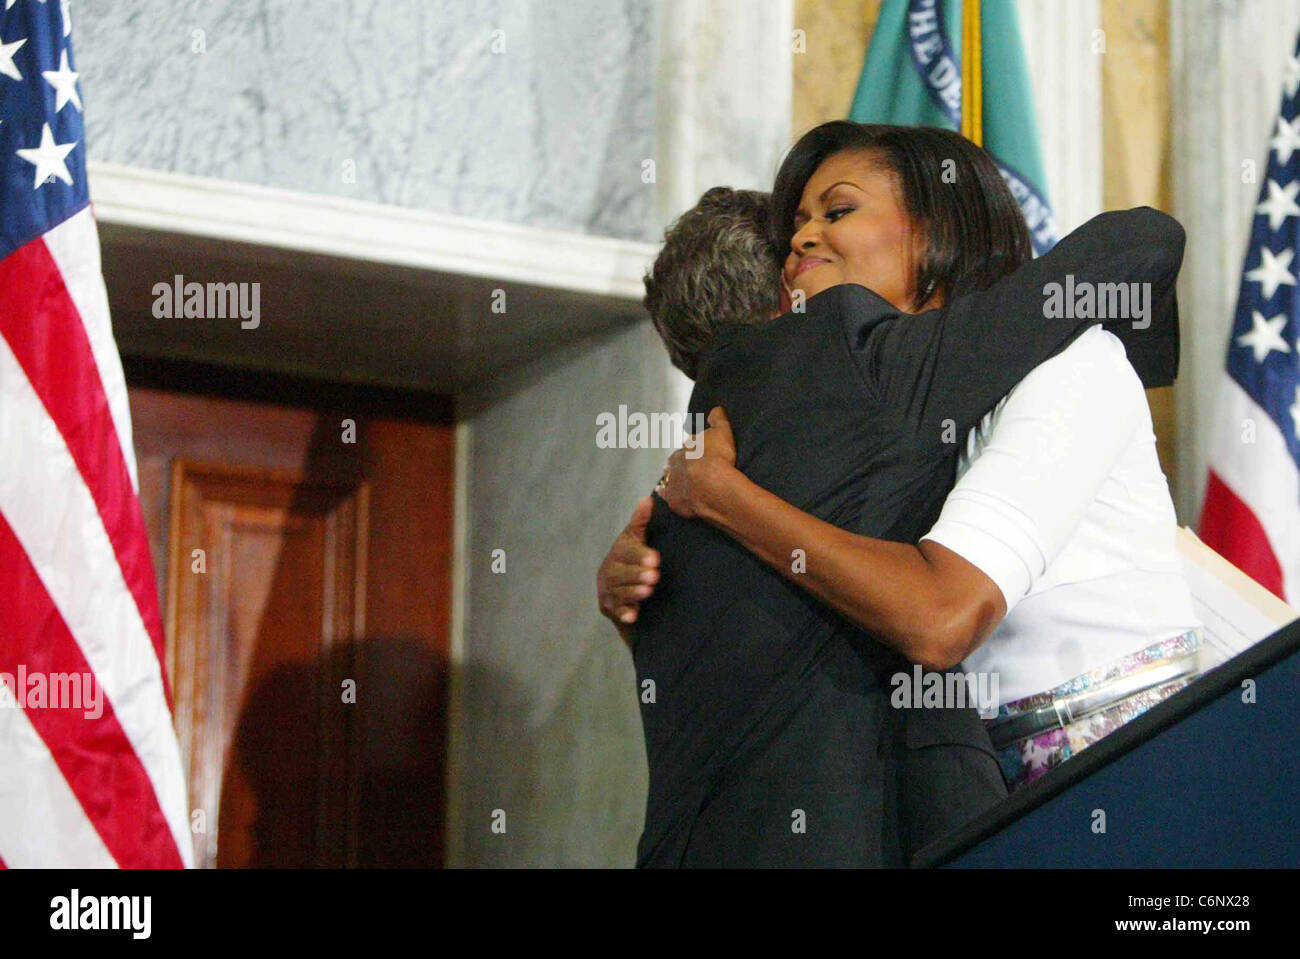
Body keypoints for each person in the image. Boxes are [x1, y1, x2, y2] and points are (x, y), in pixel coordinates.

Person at [599, 122, 1185, 867]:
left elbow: (941, 616)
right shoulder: (861, 425)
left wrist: (723, 498)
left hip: (1119, 779)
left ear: (938, 229)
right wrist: (645, 586)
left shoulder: (1069, 365)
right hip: (970, 800)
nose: (803, 238)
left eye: (835, 211)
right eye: (797, 225)